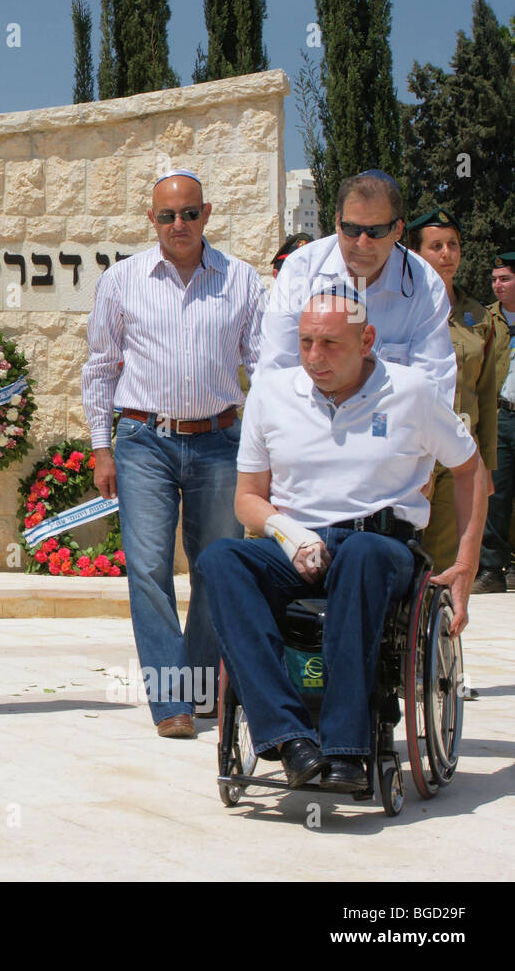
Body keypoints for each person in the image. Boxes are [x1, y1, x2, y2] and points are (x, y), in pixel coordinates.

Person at [199, 285, 484, 792]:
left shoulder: (414, 392)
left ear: (367, 339)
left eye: (330, 344)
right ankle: (289, 738)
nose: (315, 357)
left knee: (362, 554)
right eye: (306, 342)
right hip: (297, 543)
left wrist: (464, 565)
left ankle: (347, 747)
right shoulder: (272, 392)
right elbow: (248, 499)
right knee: (221, 559)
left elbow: (469, 469)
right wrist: (290, 535)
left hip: (382, 544)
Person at [81, 168, 266, 739]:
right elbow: (101, 368)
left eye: (189, 213)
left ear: (207, 214)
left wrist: (270, 450)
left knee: (218, 567)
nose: (179, 224)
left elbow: (263, 368)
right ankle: (172, 702)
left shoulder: (242, 280)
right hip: (143, 442)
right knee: (148, 568)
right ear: (151, 220)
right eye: (167, 215)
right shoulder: (122, 280)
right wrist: (100, 447)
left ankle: (202, 686)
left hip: (220, 440)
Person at [258, 170, 456, 398]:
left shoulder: (425, 285)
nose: (362, 243)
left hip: (394, 425)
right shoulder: (299, 270)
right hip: (312, 422)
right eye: (352, 229)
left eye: (375, 231)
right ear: (337, 223)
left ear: (398, 231)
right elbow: (276, 371)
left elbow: (433, 387)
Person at [406, 208, 497, 570]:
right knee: (404, 555)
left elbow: (486, 395)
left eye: (453, 245)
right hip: (413, 450)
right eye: (437, 246)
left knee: (446, 561)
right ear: (415, 253)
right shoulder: (404, 310)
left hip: (459, 455)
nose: (447, 254)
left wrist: (487, 464)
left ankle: (442, 627)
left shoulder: (477, 314)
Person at [476, 251, 515, 592]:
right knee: (496, 495)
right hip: (502, 414)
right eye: (494, 280)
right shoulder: (488, 319)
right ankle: (492, 570)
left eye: (505, 279)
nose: (497, 286)